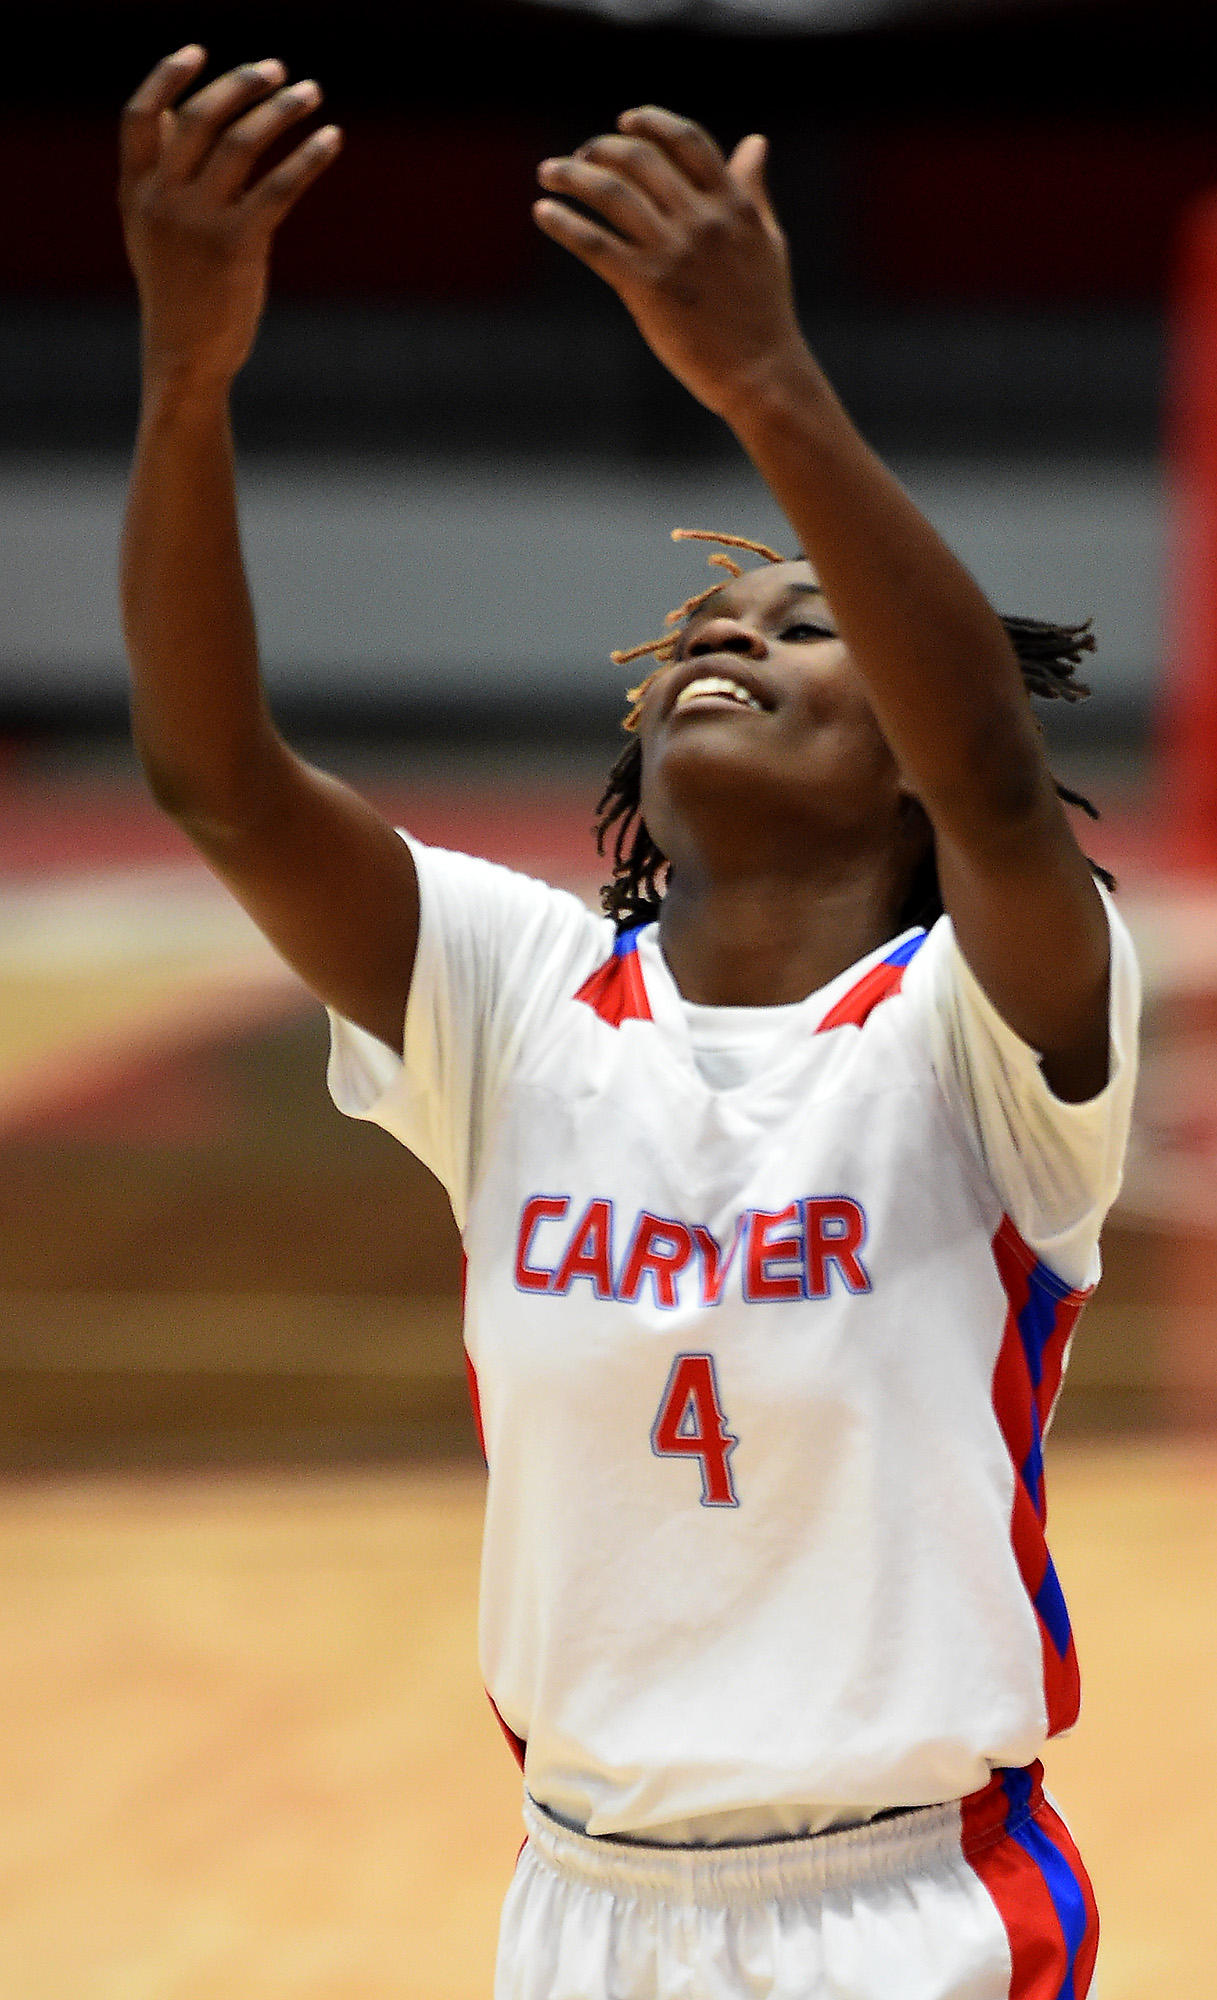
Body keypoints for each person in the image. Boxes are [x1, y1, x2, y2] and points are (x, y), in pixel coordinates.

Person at [118, 47, 1139, 2000]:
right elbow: (221, 783)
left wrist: (769, 385)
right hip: (581, 1907)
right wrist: (185, 374)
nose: (730, 631)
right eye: (700, 627)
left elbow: (1010, 794)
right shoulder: (515, 1001)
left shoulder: (980, 1028)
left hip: (909, 1910)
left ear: (914, 765)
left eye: (804, 617)